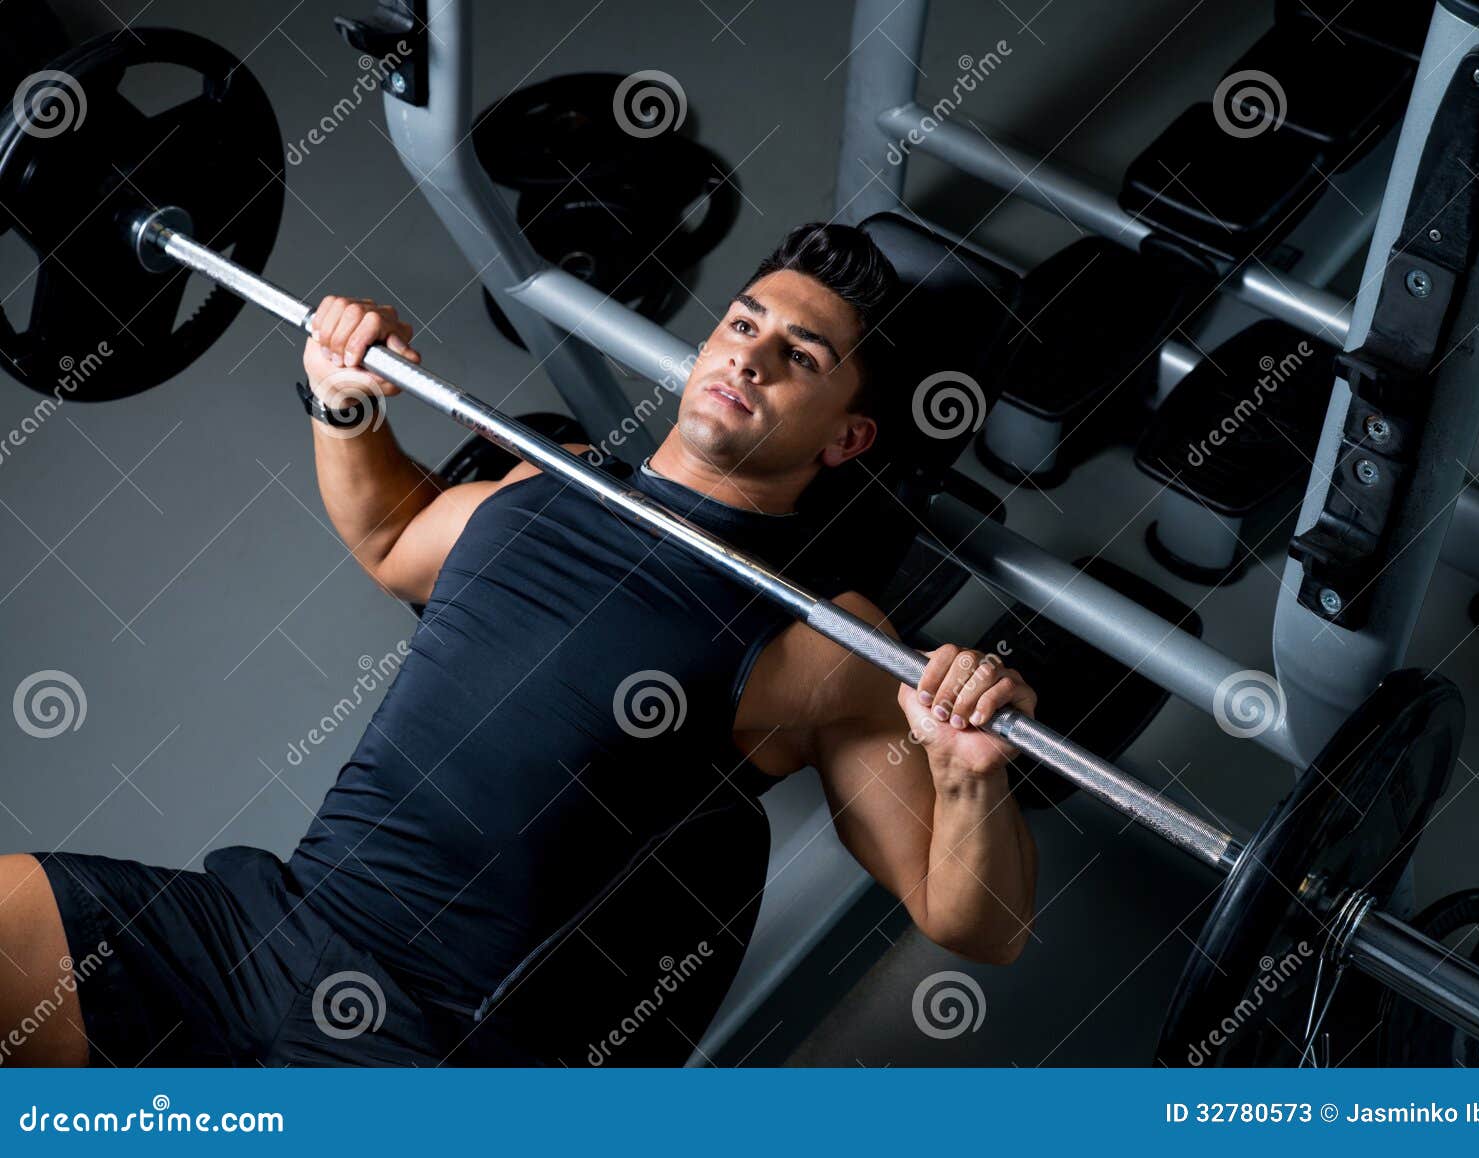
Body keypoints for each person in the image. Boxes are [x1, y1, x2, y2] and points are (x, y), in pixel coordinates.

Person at [0, 223, 1037, 1066]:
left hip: (431, 1045)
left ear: (845, 438)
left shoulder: (831, 637)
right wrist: (344, 403)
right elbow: (395, 537)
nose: (749, 355)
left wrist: (968, 779)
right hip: (266, 927)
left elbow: (974, 924)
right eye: (742, 321)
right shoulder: (552, 476)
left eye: (799, 358)